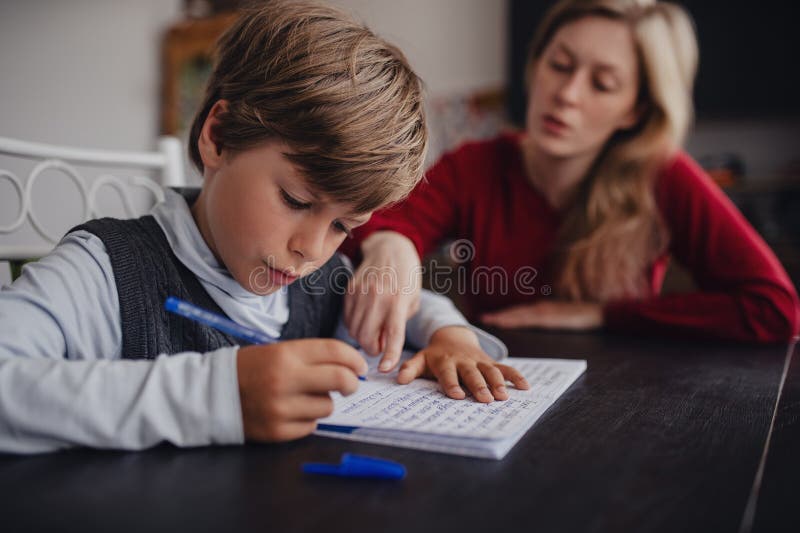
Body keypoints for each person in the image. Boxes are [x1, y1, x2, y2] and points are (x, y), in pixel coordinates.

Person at [0, 0, 528, 454]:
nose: (311, 250)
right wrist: (215, 398)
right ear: (219, 135)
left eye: (344, 225)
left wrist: (448, 334)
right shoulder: (105, 271)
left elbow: (395, 300)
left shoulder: (322, 280)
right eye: (296, 199)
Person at [342, 0, 800, 370]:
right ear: (536, 64)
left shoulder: (664, 177)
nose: (567, 93)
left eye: (602, 84)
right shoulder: (476, 165)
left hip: (620, 403)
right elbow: (366, 221)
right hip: (491, 386)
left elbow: (774, 310)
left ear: (634, 111)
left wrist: (602, 315)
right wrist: (391, 245)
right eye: (559, 65)